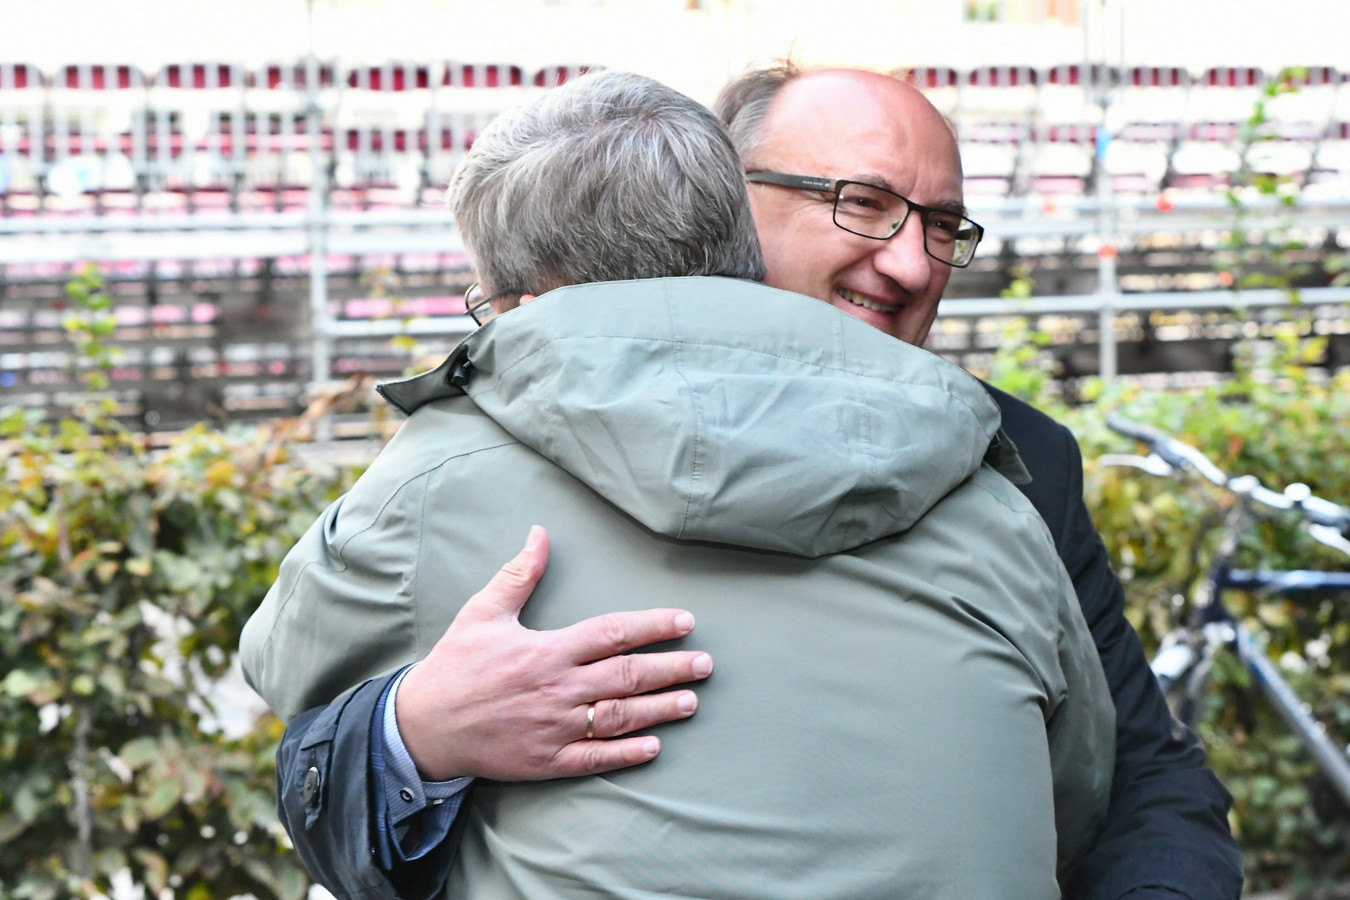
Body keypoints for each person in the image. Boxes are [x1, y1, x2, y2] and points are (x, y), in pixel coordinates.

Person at [240, 69, 1116, 899]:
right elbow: (1076, 795)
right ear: (740, 236)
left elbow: (281, 671)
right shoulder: (994, 488)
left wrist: (418, 722)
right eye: (865, 207)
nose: (912, 267)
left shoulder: (442, 473)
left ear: (526, 302)